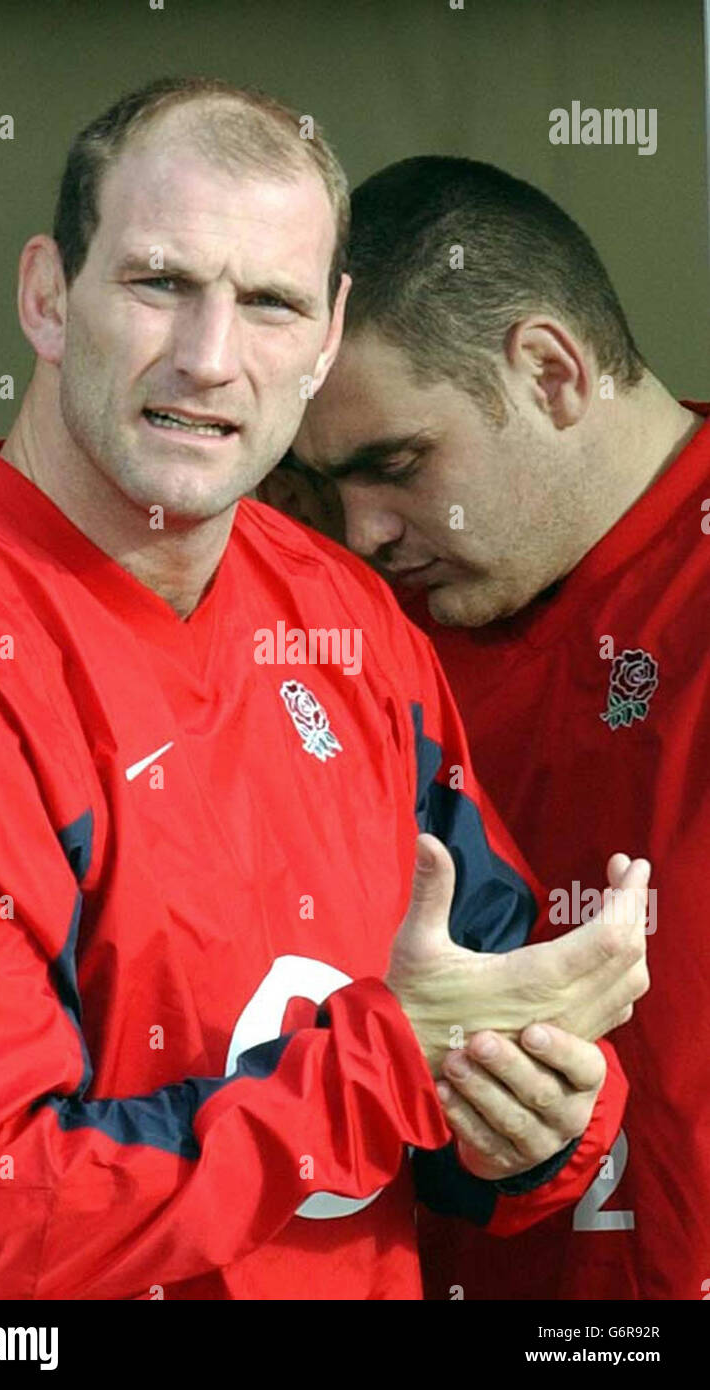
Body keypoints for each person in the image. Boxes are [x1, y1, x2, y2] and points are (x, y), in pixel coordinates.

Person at [0, 90, 648, 1303]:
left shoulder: (347, 619)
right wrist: (381, 1067)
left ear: (324, 335)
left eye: (267, 303)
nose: (209, 357)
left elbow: (476, 1045)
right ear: (46, 296)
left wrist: (532, 1115)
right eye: (157, 283)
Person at [268, 155, 708, 1300]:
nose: (361, 532)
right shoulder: (360, 642)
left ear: (550, 372)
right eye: (326, 487)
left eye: (395, 466)